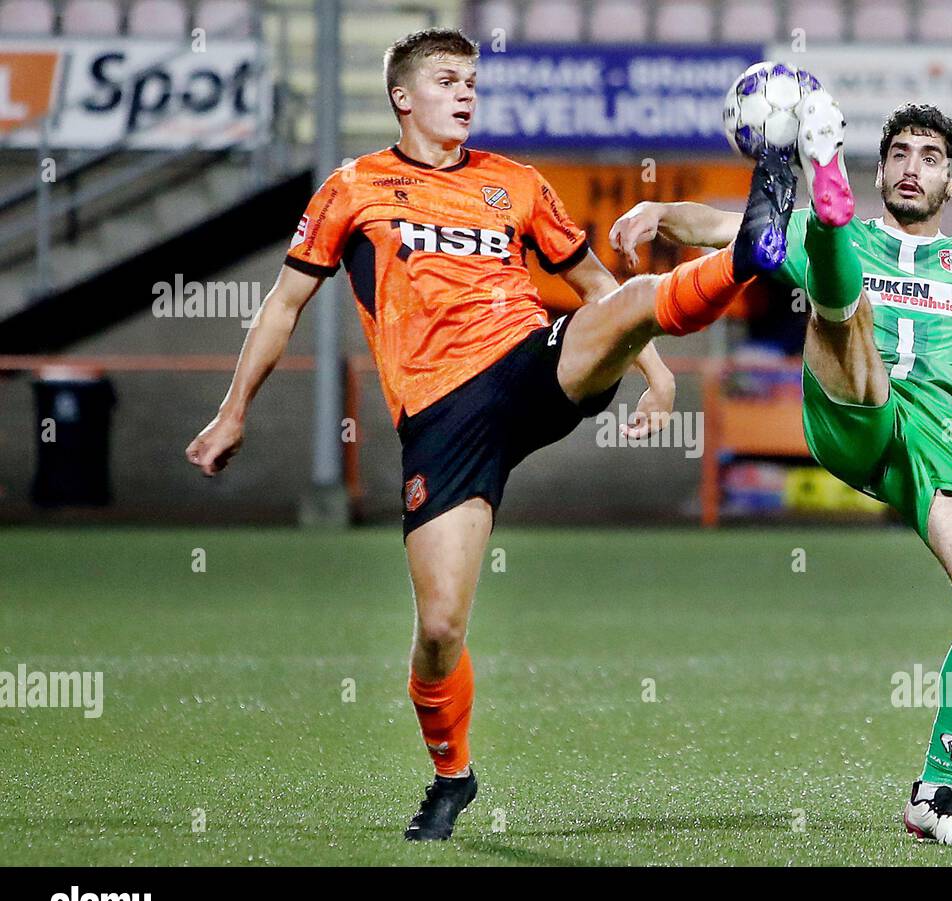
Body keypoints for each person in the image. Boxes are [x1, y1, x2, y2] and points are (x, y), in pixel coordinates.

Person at [185, 29, 799, 841]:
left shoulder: (516, 184)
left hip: (526, 361)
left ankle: (749, 254)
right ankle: (452, 775)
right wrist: (234, 410)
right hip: (440, 419)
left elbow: (591, 284)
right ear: (404, 97)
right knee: (439, 629)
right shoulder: (353, 188)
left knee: (628, 298)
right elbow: (284, 305)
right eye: (448, 80)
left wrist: (655, 372)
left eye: (472, 80)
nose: (467, 93)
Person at [611, 94, 952, 846]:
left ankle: (935, 793)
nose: (911, 167)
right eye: (897, 154)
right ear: (878, 172)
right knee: (843, 308)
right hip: (849, 411)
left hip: (937, 443)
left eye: (929, 158)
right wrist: (662, 211)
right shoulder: (858, 235)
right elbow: (729, 227)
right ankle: (824, 206)